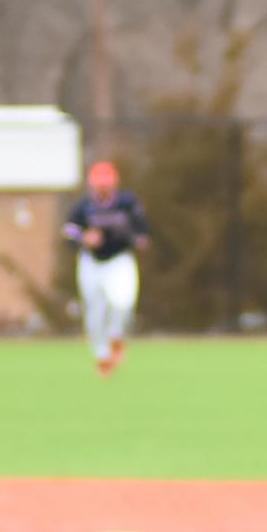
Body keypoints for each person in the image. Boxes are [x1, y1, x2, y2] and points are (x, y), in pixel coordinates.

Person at [62, 159, 149, 375]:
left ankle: (116, 335)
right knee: (94, 311)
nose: (102, 189)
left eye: (106, 184)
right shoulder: (83, 207)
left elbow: (142, 229)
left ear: (114, 184)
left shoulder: (127, 203)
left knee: (123, 301)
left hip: (119, 259)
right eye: (98, 185)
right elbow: (68, 232)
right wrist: (84, 238)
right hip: (91, 262)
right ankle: (102, 356)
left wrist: (137, 239)